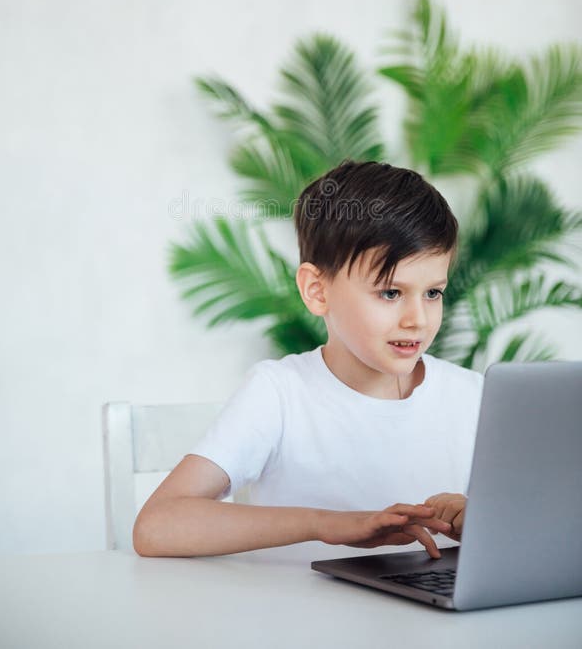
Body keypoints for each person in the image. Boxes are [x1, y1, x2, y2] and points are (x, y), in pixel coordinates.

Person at [133, 160, 484, 559]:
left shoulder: (473, 396)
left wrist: (479, 521)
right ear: (317, 291)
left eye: (433, 293)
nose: (417, 319)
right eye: (390, 293)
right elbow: (156, 525)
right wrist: (328, 524)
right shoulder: (279, 394)